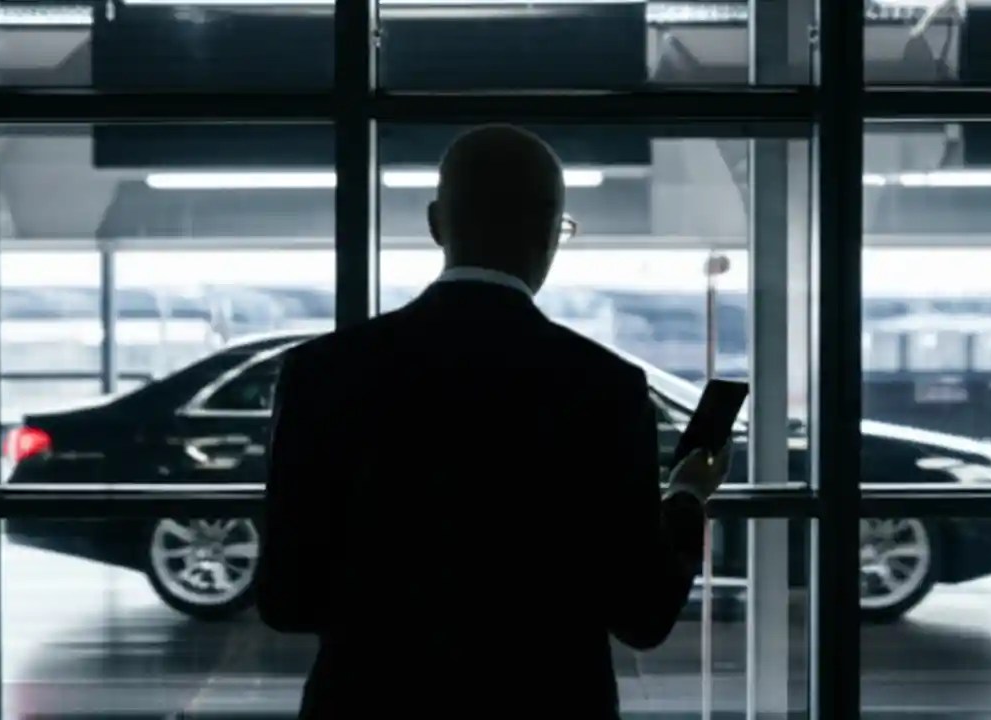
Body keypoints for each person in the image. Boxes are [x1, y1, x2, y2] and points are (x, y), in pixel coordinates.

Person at [255, 124, 730, 719]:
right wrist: (686, 497)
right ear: (549, 235)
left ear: (436, 224)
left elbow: (286, 599)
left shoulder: (319, 373)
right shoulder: (602, 386)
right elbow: (642, 614)